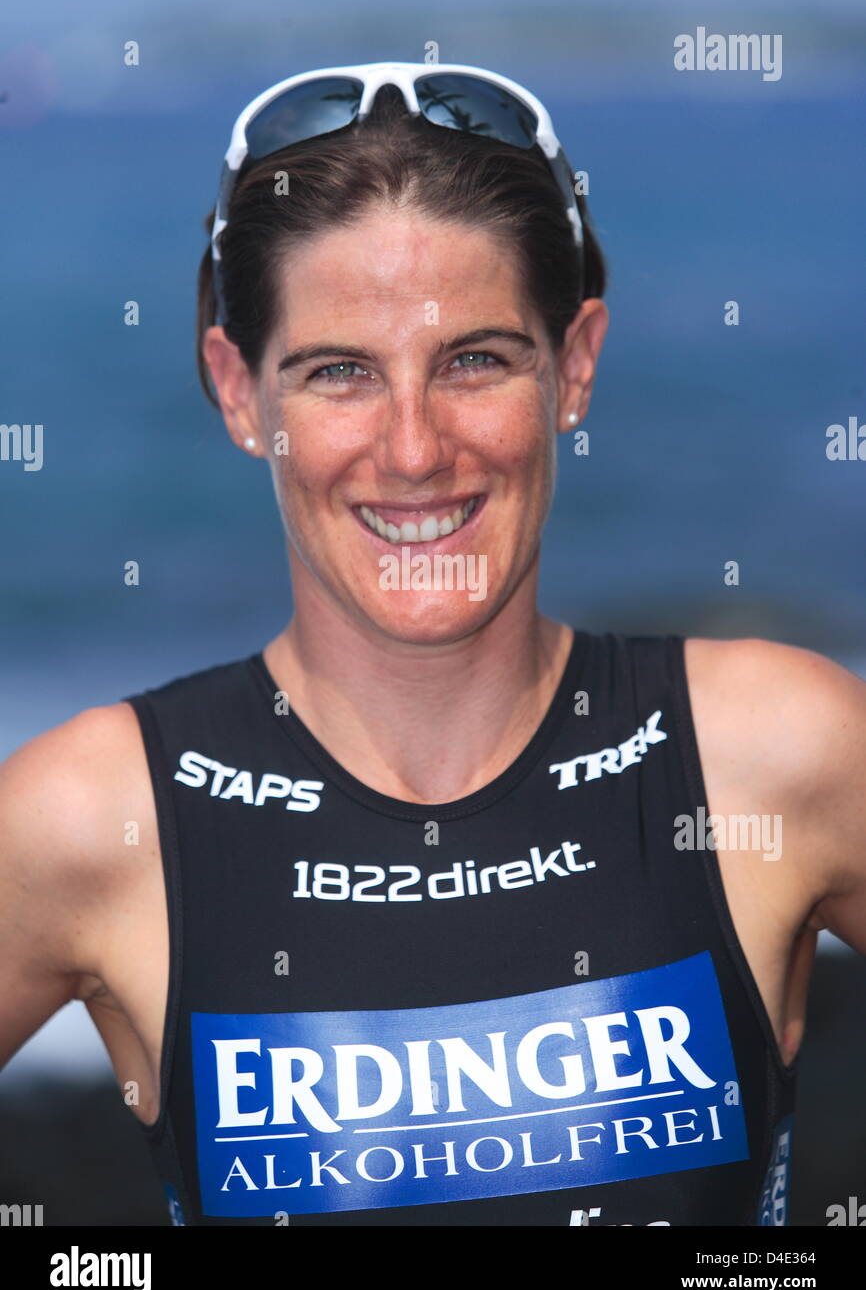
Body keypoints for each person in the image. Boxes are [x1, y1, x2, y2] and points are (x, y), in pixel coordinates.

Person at [1, 61, 864, 1228]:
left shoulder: (774, 751)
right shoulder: (93, 817)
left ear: (574, 366)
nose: (412, 449)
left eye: (474, 360)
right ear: (238, 391)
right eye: (338, 374)